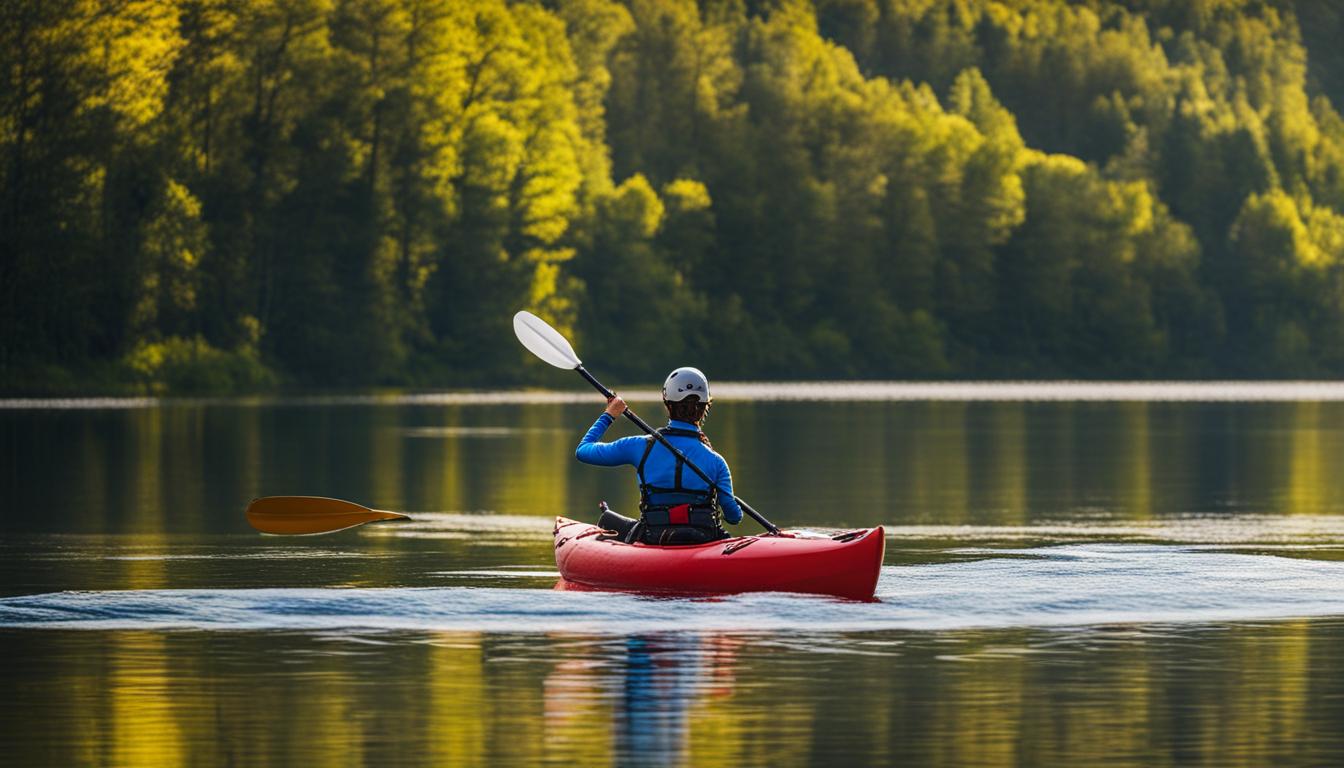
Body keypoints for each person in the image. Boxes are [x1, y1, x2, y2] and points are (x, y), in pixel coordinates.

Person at [575, 367, 743, 545]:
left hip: (654, 537)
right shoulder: (716, 462)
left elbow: (583, 450)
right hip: (702, 539)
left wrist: (610, 414)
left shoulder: (639, 447)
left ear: (667, 404)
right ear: (704, 408)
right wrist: (733, 506)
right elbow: (733, 517)